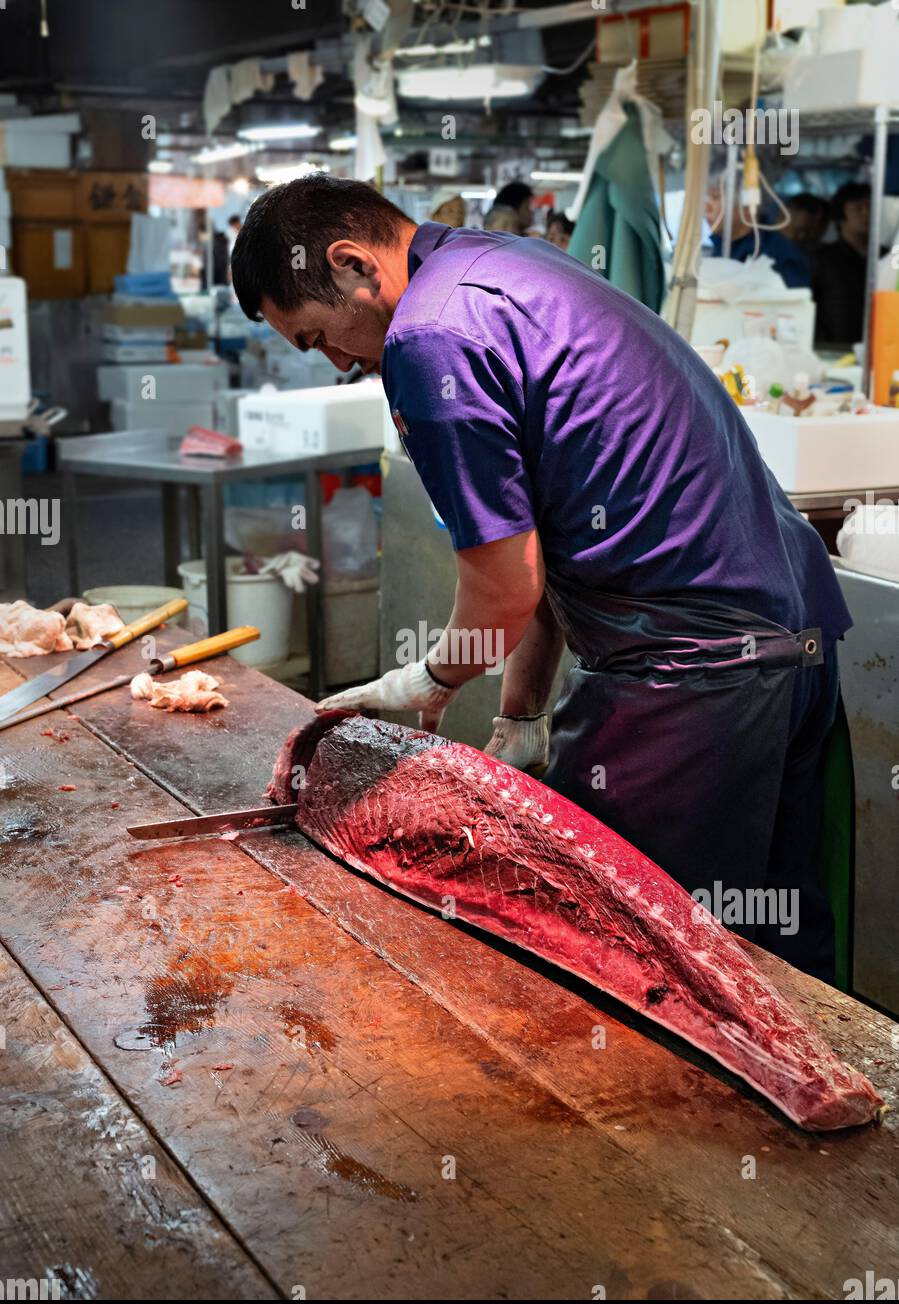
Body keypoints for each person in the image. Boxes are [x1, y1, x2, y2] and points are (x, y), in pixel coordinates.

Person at [231, 175, 853, 983]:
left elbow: (501, 588)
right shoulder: (503, 264)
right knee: (776, 962)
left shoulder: (429, 338)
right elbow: (544, 546)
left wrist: (426, 676)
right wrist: (521, 714)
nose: (342, 363)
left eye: (317, 337)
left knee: (629, 966)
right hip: (791, 652)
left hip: (691, 683)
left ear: (351, 263)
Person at [705, 183, 811, 288]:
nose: (706, 208)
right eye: (706, 198)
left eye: (716, 197)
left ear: (747, 205)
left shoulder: (783, 257)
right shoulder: (717, 247)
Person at [811, 183, 871, 347]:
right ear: (841, 213)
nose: (866, 213)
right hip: (834, 350)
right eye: (858, 208)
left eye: (870, 206)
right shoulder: (823, 259)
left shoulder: (886, 256)